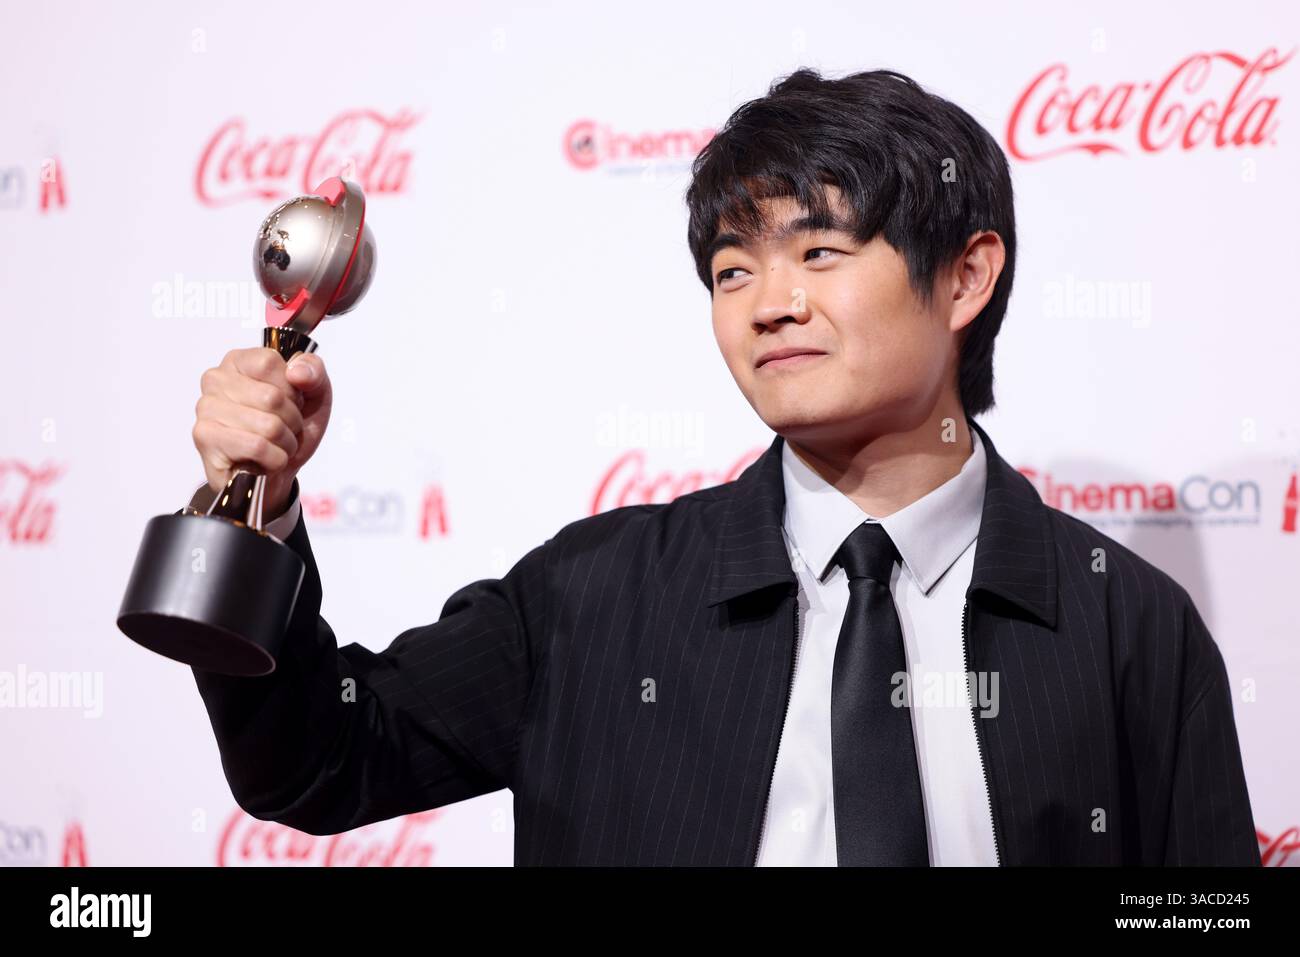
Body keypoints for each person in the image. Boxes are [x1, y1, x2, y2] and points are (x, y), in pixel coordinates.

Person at [184, 68, 1260, 866]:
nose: (767, 302)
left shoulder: (1130, 627)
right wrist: (257, 512)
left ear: (966, 277)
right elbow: (316, 760)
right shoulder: (591, 597)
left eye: (819, 253)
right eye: (732, 267)